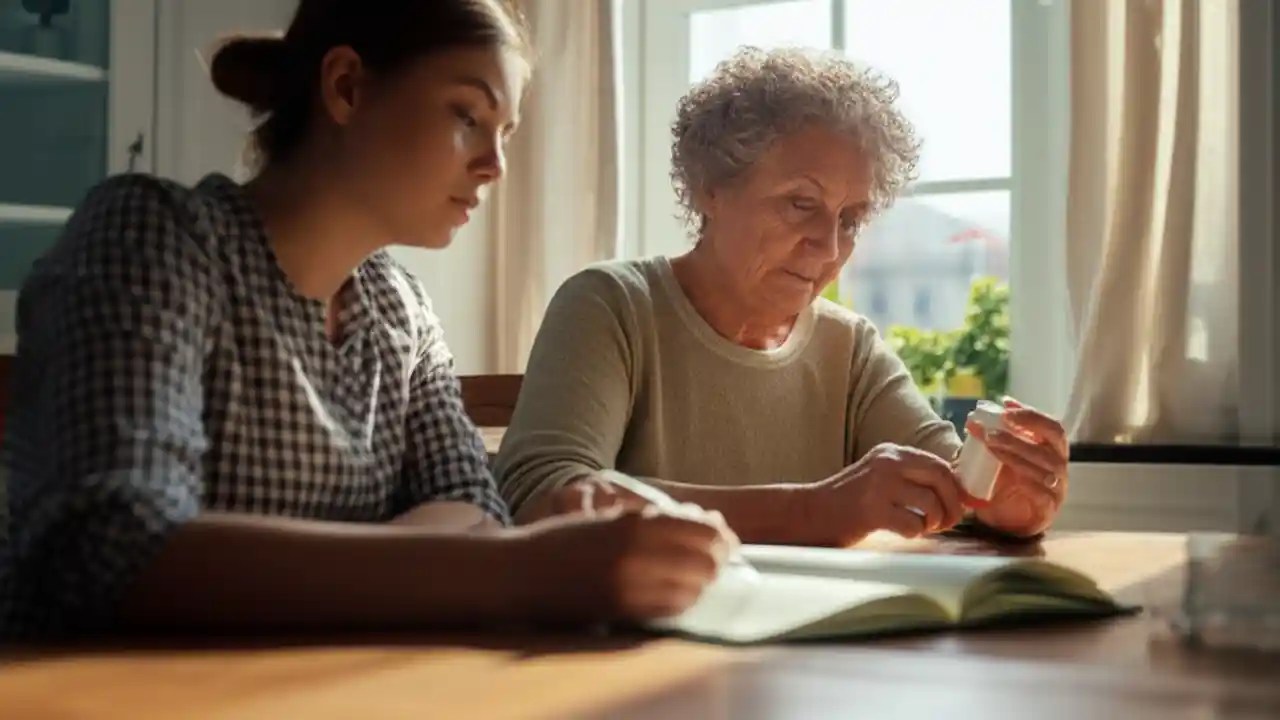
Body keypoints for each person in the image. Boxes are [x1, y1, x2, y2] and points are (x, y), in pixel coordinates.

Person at [0, 0, 732, 639]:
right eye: (468, 115)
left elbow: (476, 508)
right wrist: (512, 569)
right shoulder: (153, 237)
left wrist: (467, 555)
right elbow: (113, 547)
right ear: (346, 87)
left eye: (504, 131)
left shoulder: (399, 307)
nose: (495, 165)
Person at [497, 47, 1070, 545]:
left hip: (803, 660)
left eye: (851, 218)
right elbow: (545, 495)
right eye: (801, 204)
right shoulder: (611, 306)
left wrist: (1003, 502)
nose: (827, 247)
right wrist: (814, 510)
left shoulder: (849, 350)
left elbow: (946, 484)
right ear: (710, 188)